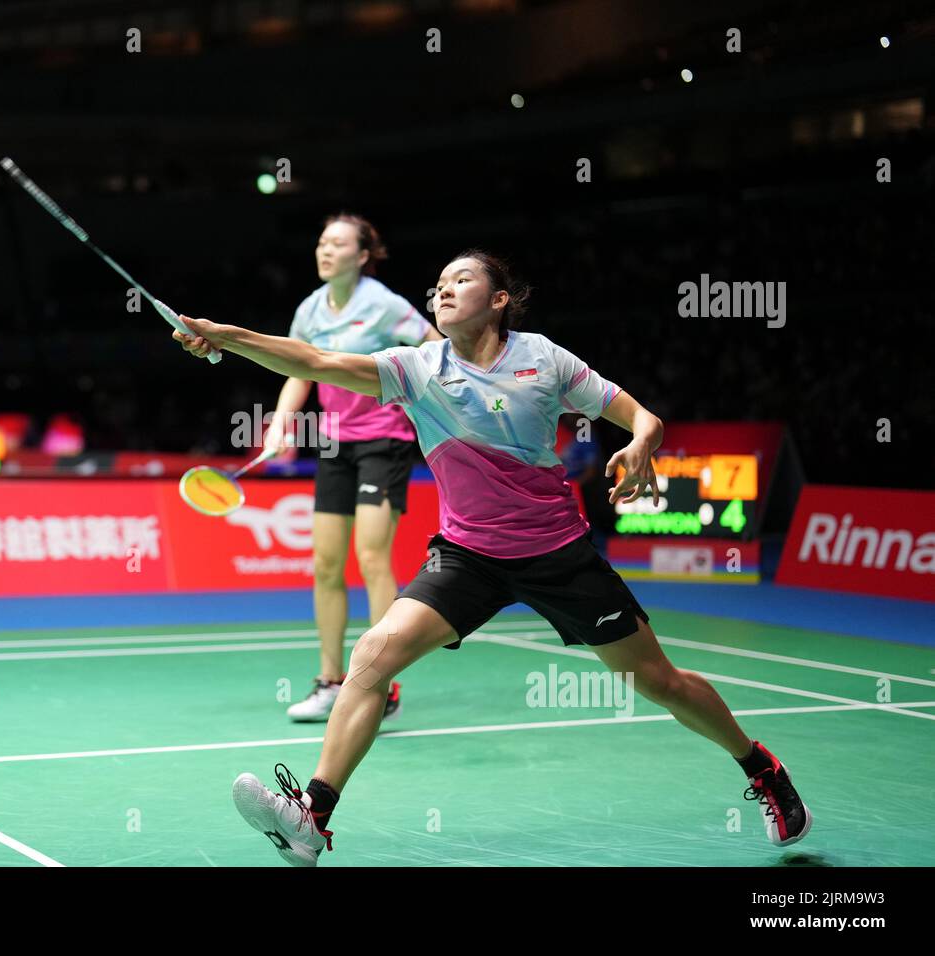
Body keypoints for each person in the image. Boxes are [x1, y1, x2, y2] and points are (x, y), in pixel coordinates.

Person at [173, 250, 811, 866]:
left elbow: (641, 416)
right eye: (439, 284)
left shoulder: (544, 360)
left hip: (557, 551)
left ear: (499, 299)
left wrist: (643, 443)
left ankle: (761, 766)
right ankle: (312, 818)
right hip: (468, 554)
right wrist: (225, 336)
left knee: (655, 681)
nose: (443, 290)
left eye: (461, 281)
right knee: (373, 655)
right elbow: (313, 359)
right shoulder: (417, 367)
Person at [264, 214, 442, 723]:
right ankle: (329, 680)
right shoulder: (310, 309)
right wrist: (281, 422)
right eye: (321, 242)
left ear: (363, 255)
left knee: (371, 556)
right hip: (335, 445)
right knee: (324, 564)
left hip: (384, 443)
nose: (325, 250)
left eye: (337, 243)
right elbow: (297, 367)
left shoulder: (383, 304)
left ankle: (379, 682)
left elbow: (433, 348)